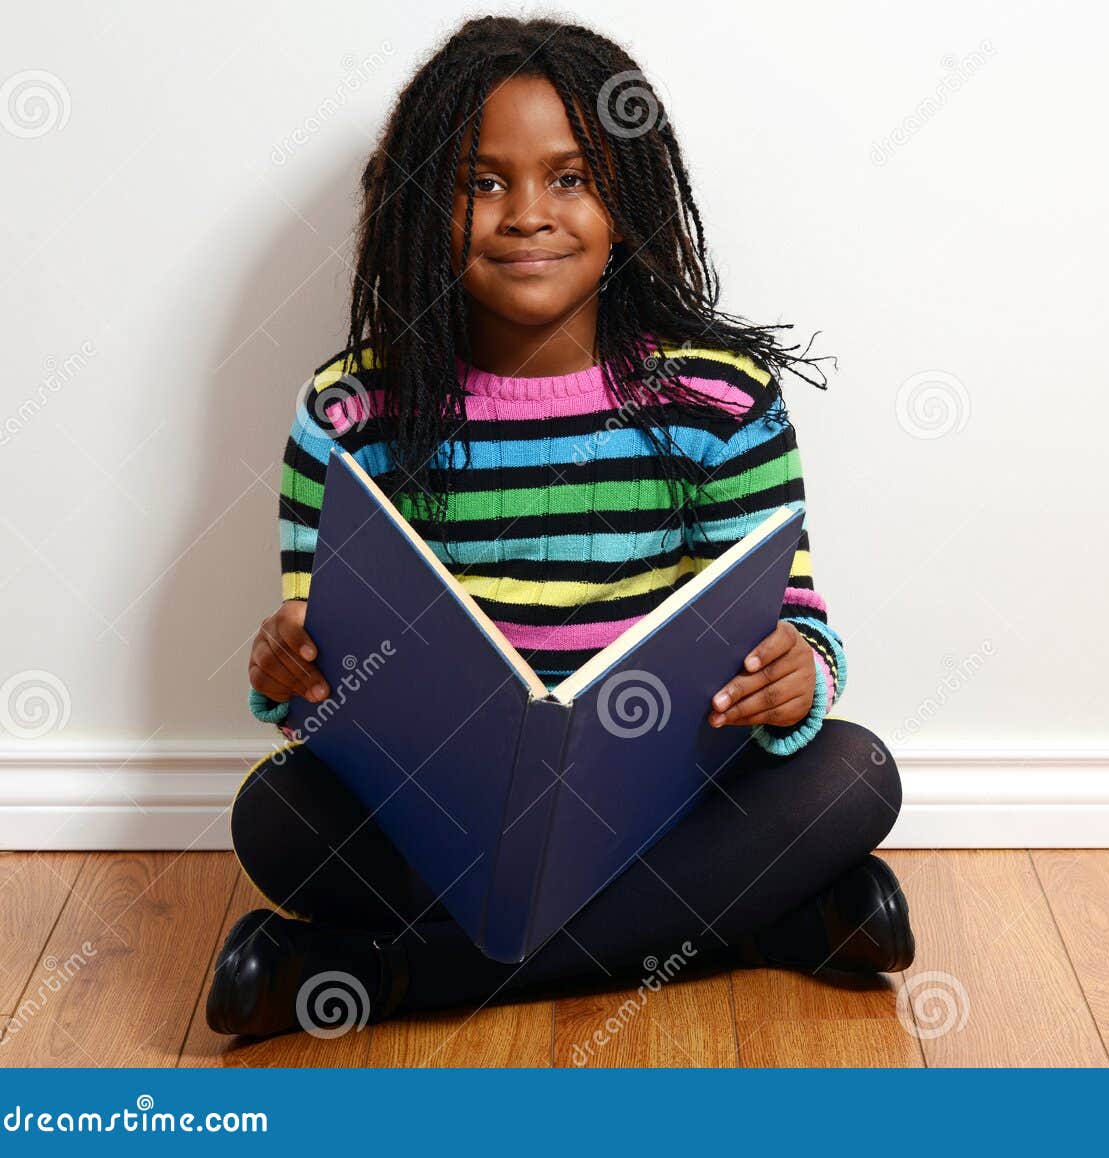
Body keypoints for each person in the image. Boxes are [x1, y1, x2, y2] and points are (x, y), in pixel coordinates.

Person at [208, 14, 912, 1038]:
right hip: (448, 824)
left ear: (626, 202)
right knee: (276, 816)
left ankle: (372, 977)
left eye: (570, 178)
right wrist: (288, 674)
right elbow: (324, 678)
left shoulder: (717, 398)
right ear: (419, 209)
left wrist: (799, 669)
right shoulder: (349, 414)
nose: (526, 214)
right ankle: (764, 925)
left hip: (660, 805)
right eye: (481, 182)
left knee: (852, 773)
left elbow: (793, 616)